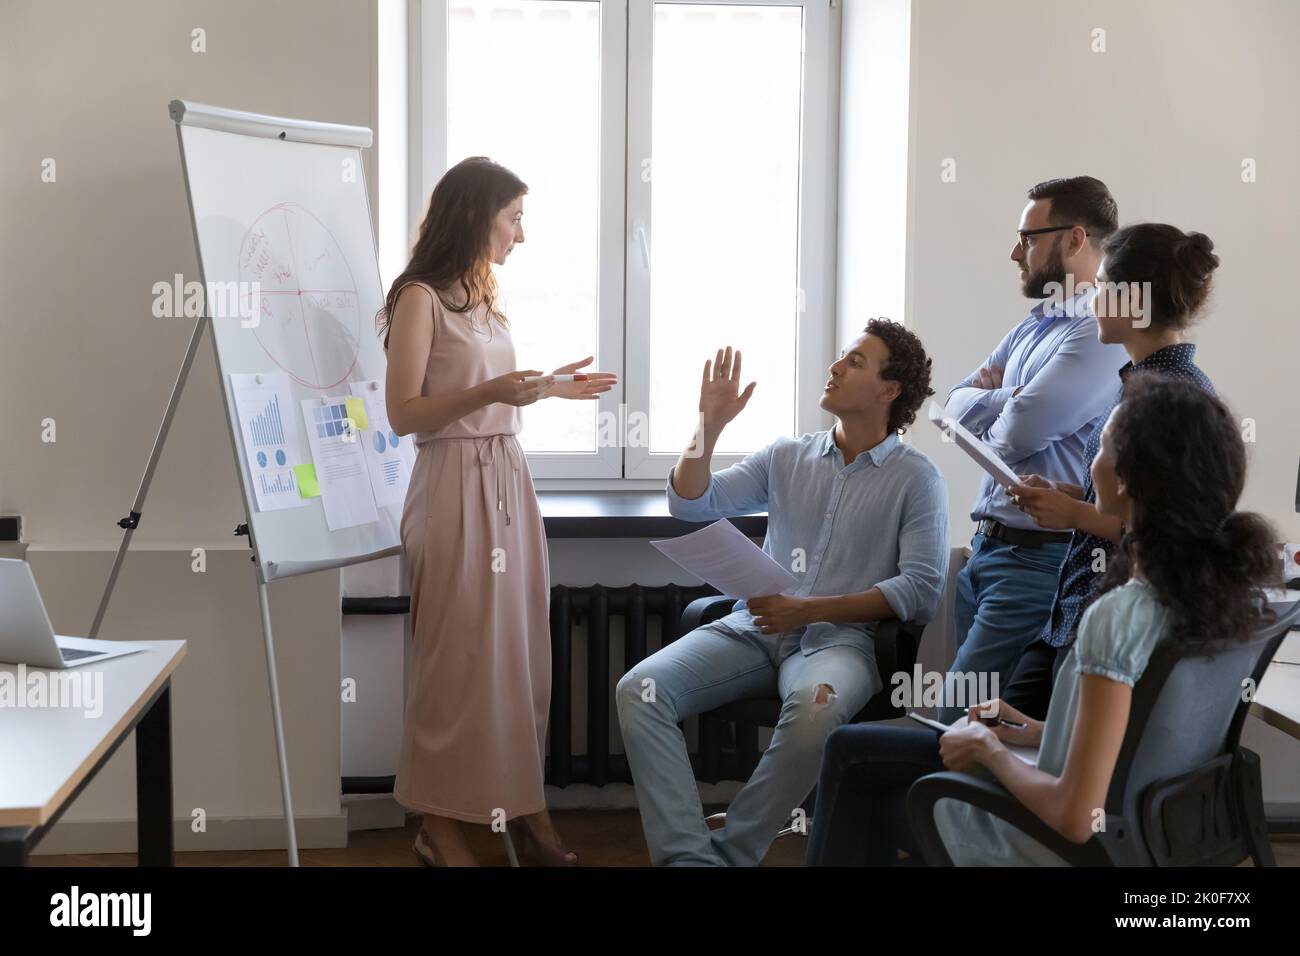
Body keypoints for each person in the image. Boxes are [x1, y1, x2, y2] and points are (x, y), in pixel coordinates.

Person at [806, 220, 1226, 867]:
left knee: (876, 755)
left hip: (1055, 818)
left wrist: (1075, 513)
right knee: (934, 732)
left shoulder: (1162, 405)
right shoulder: (1157, 399)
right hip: (1076, 679)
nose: (1091, 300)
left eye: (1102, 445)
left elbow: (1018, 434)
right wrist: (1023, 731)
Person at [617, 320, 949, 866]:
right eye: (841, 356)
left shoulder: (917, 478)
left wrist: (808, 610)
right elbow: (690, 503)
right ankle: (689, 860)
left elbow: (921, 589)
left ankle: (727, 855)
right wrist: (708, 425)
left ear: (889, 390)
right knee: (640, 690)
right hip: (756, 628)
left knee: (815, 712)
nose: (835, 367)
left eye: (856, 362)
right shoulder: (787, 455)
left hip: (841, 643)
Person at [931, 375, 1279, 864]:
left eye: (1103, 447)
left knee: (873, 768)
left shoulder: (1116, 617)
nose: (1090, 460)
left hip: (1037, 847)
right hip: (1144, 842)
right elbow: (1142, 738)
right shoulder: (1223, 599)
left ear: (1127, 481)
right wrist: (1037, 730)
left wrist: (987, 750)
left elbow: (1075, 816)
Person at [381, 156, 616, 866]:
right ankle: (439, 824)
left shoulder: (480, 293)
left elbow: (493, 389)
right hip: (452, 486)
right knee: (456, 661)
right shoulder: (419, 297)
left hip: (507, 480)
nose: (521, 232)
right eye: (513, 217)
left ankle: (522, 807)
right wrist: (495, 393)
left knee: (517, 658)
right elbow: (405, 413)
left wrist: (548, 387)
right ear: (473, 215)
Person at [1002, 223, 1221, 718]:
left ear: (1132, 300)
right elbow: (1132, 495)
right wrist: (1068, 494)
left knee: (993, 742)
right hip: (1076, 610)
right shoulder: (1140, 383)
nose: (1092, 301)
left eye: (1100, 286)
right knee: (990, 732)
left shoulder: (1172, 397)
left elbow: (1170, 530)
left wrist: (1074, 514)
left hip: (1109, 626)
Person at [938, 176, 1128, 722]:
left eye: (1027, 238)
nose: (1014, 253)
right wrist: (1008, 396)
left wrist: (993, 404)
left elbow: (1017, 435)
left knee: (952, 722)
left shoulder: (1096, 331)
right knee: (975, 731)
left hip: (1037, 560)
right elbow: (950, 411)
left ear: (1074, 239)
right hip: (987, 552)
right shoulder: (1034, 325)